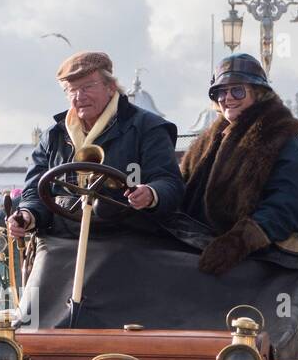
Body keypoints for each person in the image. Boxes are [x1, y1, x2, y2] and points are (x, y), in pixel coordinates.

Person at [12, 51, 182, 239]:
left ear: (111, 87)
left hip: (130, 238)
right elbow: (35, 191)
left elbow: (170, 182)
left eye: (87, 87)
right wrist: (28, 215)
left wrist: (151, 193)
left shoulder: (148, 128)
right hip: (63, 240)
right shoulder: (53, 136)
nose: (79, 96)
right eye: (72, 90)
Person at [178, 53, 298, 273]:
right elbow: (180, 188)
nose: (227, 98)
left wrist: (238, 242)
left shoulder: (280, 138)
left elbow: (290, 204)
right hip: (194, 244)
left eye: (237, 90)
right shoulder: (207, 142)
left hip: (256, 259)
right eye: (221, 92)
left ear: (258, 94)